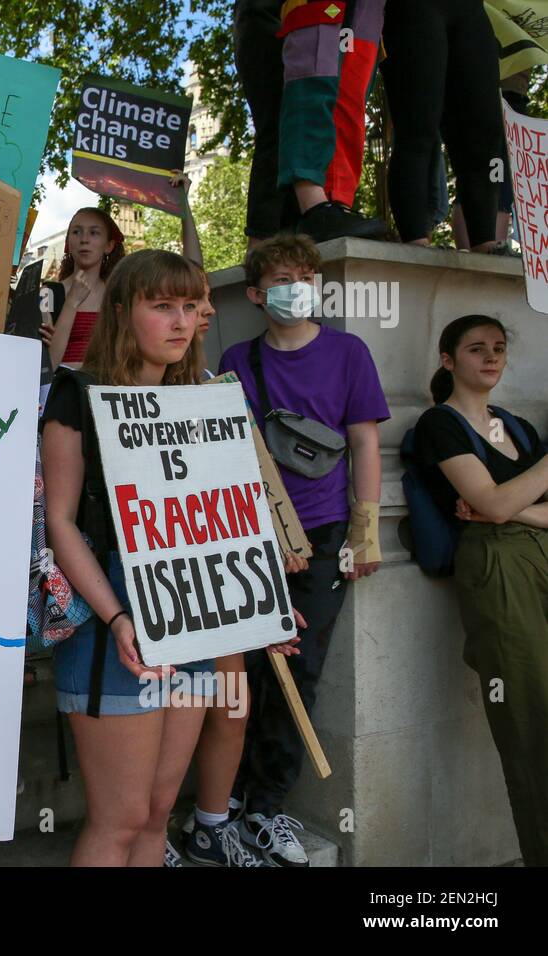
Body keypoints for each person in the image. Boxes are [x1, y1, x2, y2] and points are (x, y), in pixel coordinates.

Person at [216, 233, 388, 865]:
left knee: (301, 670)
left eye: (307, 276)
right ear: (257, 295)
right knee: (246, 670)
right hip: (249, 537)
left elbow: (365, 441)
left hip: (320, 537)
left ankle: (268, 804)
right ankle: (226, 799)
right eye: (284, 280)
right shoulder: (236, 358)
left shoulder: (348, 352)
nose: (299, 288)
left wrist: (364, 530)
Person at [43, 249, 215, 867]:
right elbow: (59, 521)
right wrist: (116, 618)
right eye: (162, 305)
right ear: (121, 311)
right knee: (119, 818)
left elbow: (222, 525)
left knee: (156, 814)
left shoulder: (204, 401)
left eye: (191, 306)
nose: (180, 320)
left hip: (194, 614)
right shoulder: (77, 394)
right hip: (109, 614)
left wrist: (261, 612)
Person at [411, 314, 548, 865]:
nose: (491, 358)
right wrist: (501, 506)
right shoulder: (438, 425)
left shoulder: (514, 425)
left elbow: (498, 504)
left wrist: (507, 506)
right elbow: (488, 507)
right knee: (531, 721)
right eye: (475, 349)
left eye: (498, 348)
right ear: (448, 360)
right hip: (496, 565)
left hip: (531, 548)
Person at [233, 0, 387, 245]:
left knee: (328, 110)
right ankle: (261, 248)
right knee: (279, 123)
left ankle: (317, 220)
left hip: (338, 14)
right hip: (269, 12)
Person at [382, 1, 504, 252]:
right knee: (418, 126)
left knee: (485, 133)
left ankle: (485, 241)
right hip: (415, 9)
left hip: (470, 10)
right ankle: (416, 239)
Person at [37, 207, 124, 369]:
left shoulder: (118, 296)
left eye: (94, 233)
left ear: (109, 245)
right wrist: (71, 303)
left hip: (103, 390)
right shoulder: (46, 294)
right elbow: (48, 366)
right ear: (68, 243)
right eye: (76, 232)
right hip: (61, 391)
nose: (84, 239)